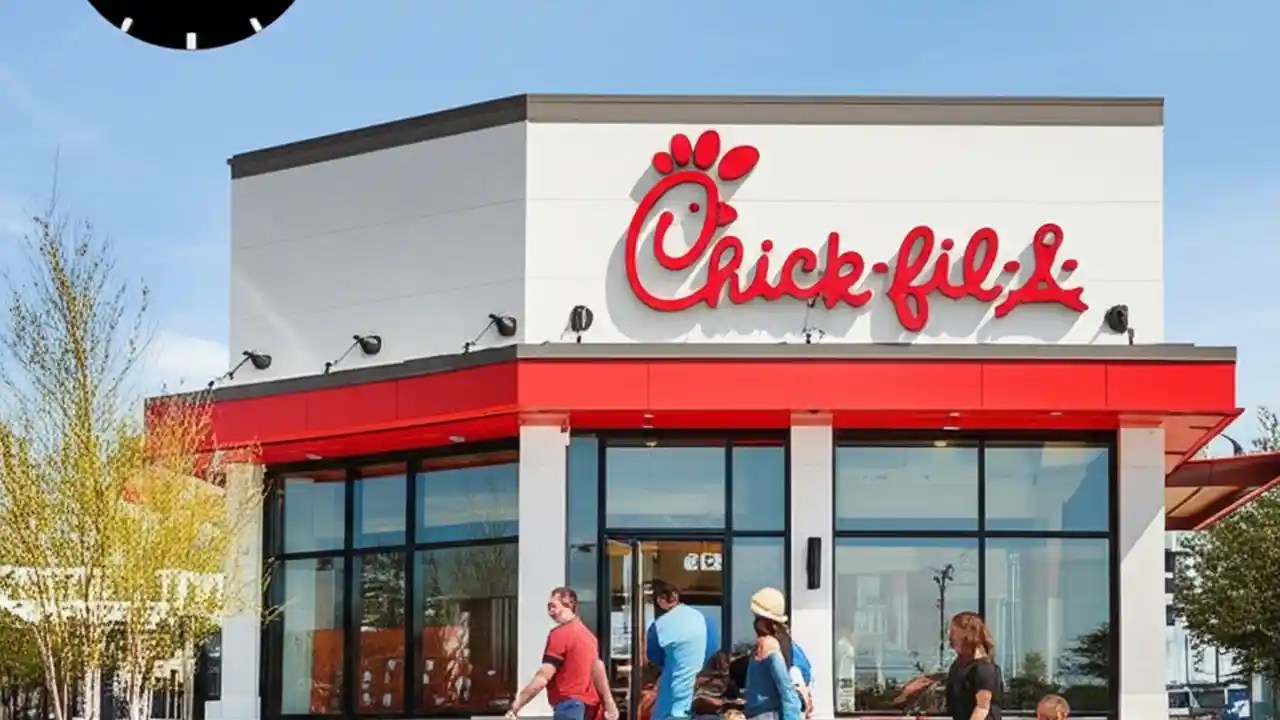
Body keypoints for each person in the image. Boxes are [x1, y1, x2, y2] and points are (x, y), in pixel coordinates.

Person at [507, 587, 619, 720]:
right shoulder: (589, 637)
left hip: (568, 706)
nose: (550, 611)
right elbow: (598, 669)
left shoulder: (559, 635)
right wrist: (609, 703)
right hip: (590, 708)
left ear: (568, 604)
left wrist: (517, 705)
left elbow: (543, 677)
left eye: (553, 606)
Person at [645, 579, 709, 720]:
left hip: (672, 704)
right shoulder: (700, 617)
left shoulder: (659, 626)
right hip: (699, 699)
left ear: (661, 600)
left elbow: (653, 657)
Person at [741, 587, 801, 720]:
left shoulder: (772, 649)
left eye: (758, 618)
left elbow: (787, 691)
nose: (755, 623)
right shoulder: (759, 647)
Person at [942, 611, 1003, 720]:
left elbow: (982, 708)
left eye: (953, 633)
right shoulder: (957, 667)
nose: (950, 637)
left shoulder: (983, 669)